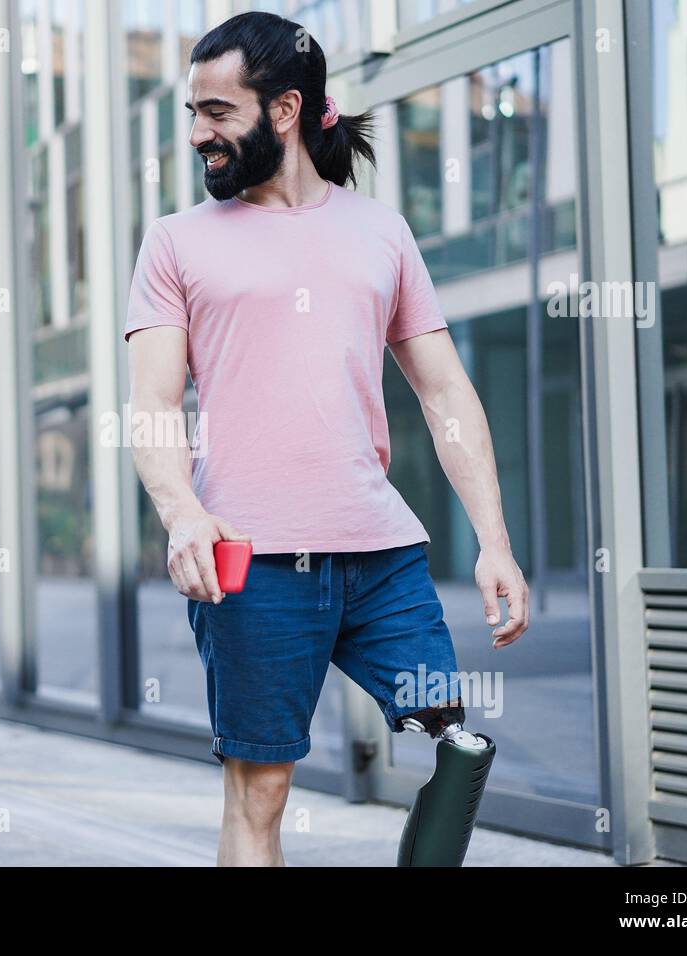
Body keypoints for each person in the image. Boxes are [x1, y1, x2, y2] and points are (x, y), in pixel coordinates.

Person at [125, 11, 528, 867]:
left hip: (378, 552)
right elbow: (152, 404)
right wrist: (182, 513)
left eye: (217, 113)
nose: (199, 134)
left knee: (454, 739)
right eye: (192, 113)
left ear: (285, 111)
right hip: (253, 558)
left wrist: (493, 538)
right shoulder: (176, 243)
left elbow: (445, 390)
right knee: (261, 788)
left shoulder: (380, 230)